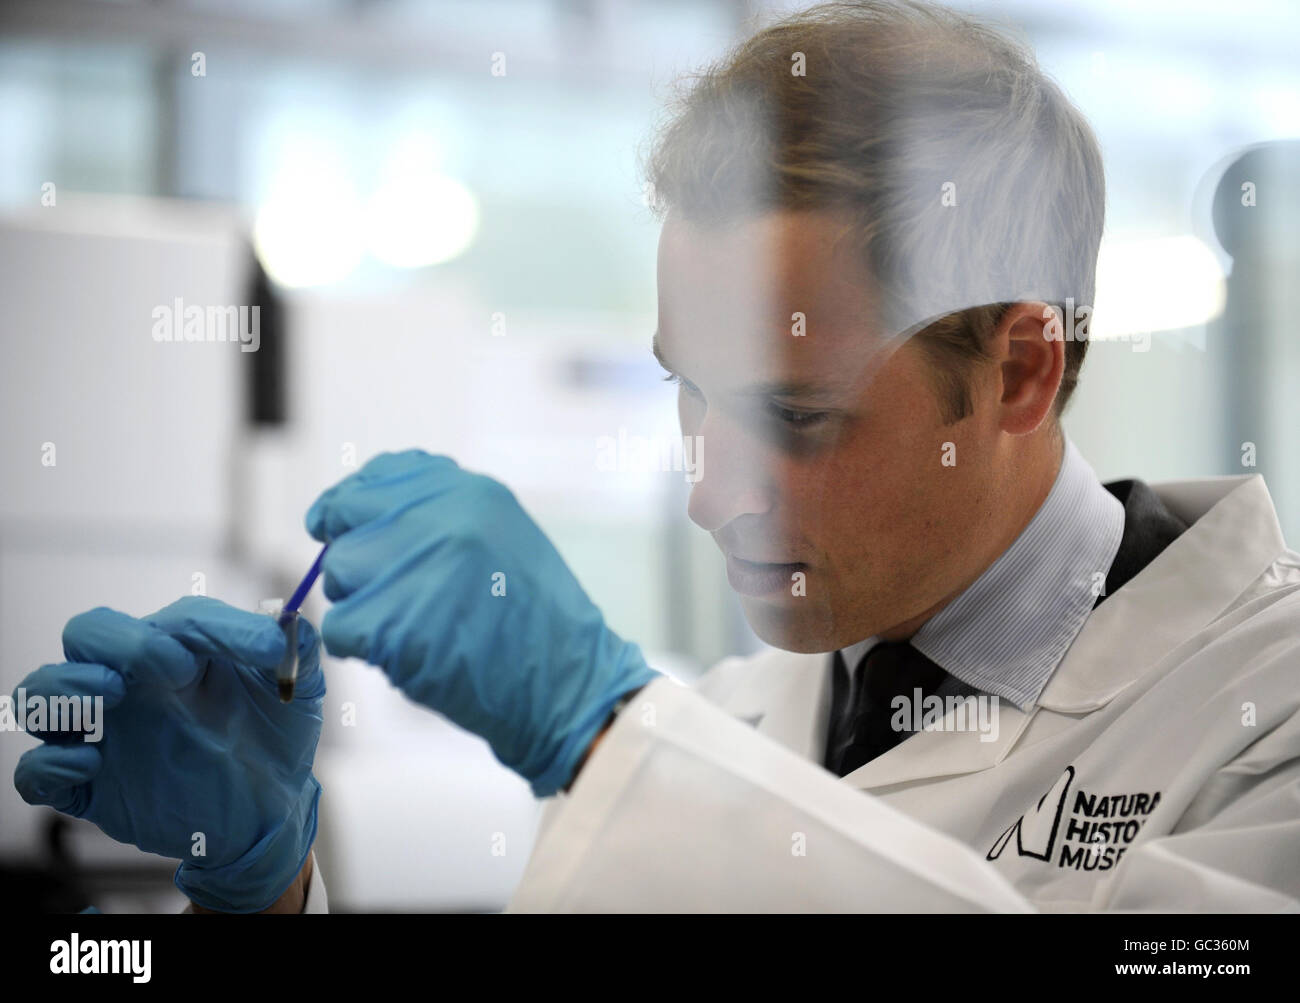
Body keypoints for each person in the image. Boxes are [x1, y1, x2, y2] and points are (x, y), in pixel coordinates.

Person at [13, 0, 1300, 913]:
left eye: (796, 417)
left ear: (1019, 369)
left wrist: (606, 728)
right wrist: (270, 891)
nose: (706, 494)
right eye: (693, 395)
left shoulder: (1267, 718)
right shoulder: (744, 714)